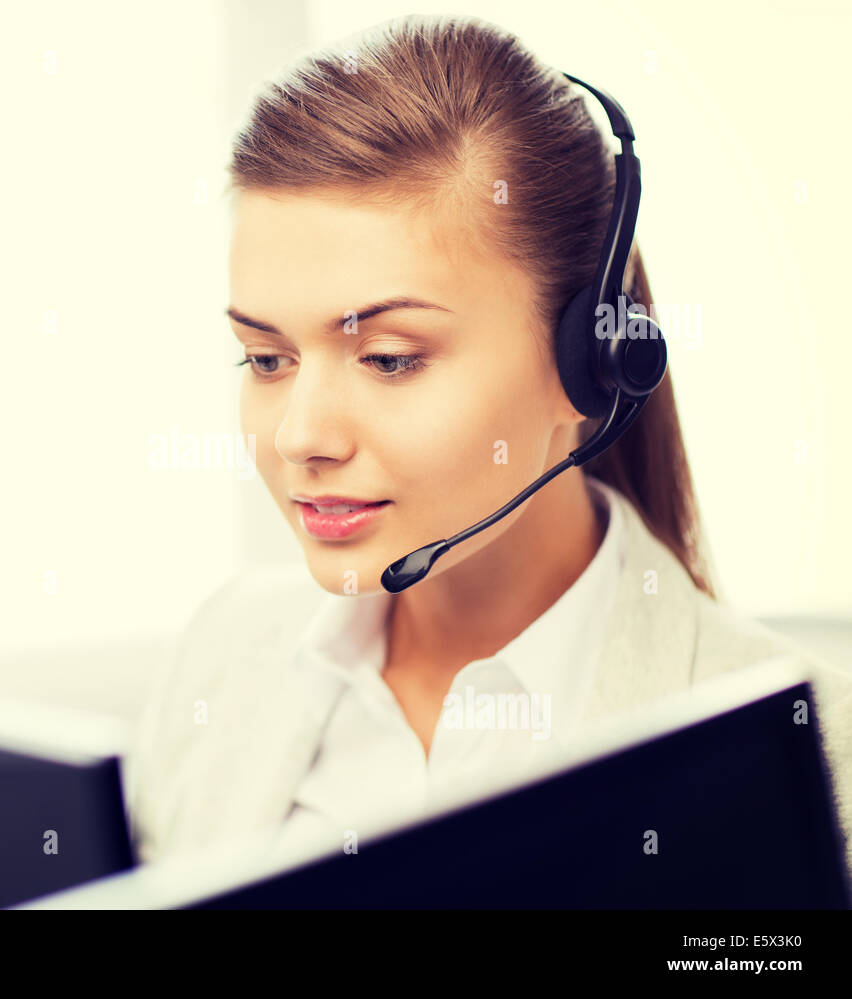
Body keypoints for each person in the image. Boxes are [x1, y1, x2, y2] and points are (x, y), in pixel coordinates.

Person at [125, 13, 852, 877]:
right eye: (267, 358)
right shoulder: (221, 658)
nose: (300, 436)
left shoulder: (818, 754)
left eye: (389, 359)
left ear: (588, 364)